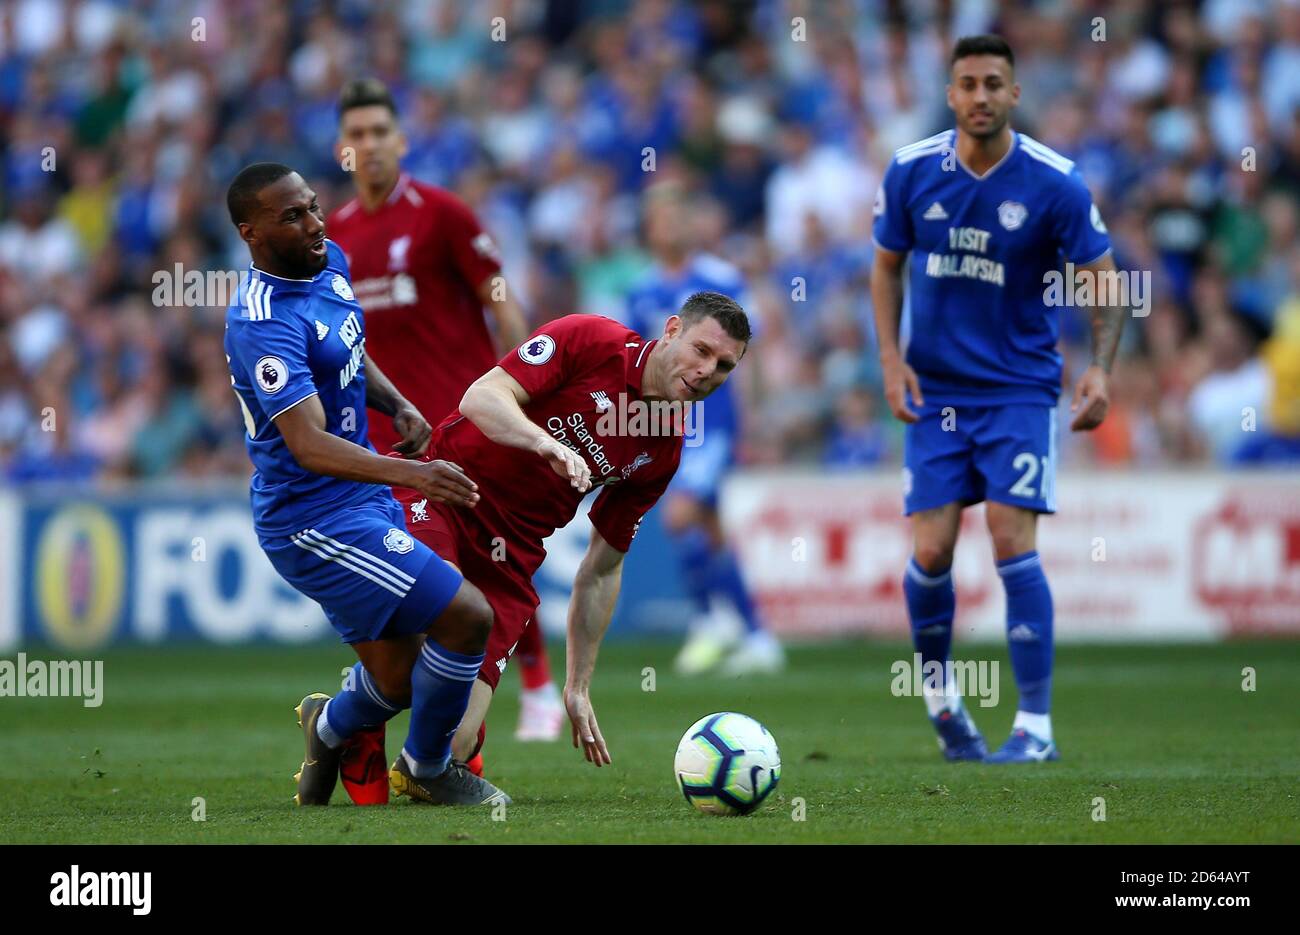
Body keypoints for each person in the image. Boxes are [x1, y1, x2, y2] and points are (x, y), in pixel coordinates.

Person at [222, 161, 509, 806]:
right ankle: (430, 770)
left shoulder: (329, 260)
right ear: (251, 231)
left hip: (359, 497)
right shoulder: (260, 320)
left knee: (400, 678)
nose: (315, 223)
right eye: (291, 216)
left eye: (314, 207)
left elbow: (347, 346)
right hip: (312, 517)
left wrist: (396, 402)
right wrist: (417, 474)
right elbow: (308, 443)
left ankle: (326, 728)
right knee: (467, 616)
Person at [871, 35, 1124, 763]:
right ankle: (944, 703)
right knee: (931, 549)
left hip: (1018, 387)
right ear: (950, 95)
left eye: (993, 84)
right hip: (935, 389)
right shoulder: (912, 171)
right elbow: (885, 269)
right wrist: (891, 360)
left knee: (1012, 540)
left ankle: (1035, 729)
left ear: (1015, 94)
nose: (980, 96)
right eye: (968, 84)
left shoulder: (1057, 183)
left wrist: (1100, 370)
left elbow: (1106, 284)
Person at [379, 293, 751, 776]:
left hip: (510, 559)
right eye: (701, 351)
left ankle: (443, 744)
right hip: (446, 491)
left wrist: (577, 685)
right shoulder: (590, 339)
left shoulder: (662, 451)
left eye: (723, 366)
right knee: (447, 610)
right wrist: (542, 443)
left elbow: (601, 570)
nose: (707, 372)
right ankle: (346, 729)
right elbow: (481, 398)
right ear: (673, 329)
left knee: (448, 748)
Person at [325, 78, 561, 795]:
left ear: (401, 140)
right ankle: (387, 726)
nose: (369, 145)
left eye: (379, 132)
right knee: (415, 598)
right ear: (344, 149)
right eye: (356, 134)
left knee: (483, 575)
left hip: (461, 433)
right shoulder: (329, 233)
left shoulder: (441, 216)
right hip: (379, 448)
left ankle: (516, 700)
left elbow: (499, 296)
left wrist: (528, 388)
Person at [625, 182, 783, 676]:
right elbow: (634, 358)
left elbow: (746, 352)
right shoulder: (642, 287)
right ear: (650, 229)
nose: (669, 228)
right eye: (660, 219)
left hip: (712, 422)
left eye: (677, 218)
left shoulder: (719, 280)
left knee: (679, 517)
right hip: (668, 422)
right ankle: (757, 636)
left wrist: (753, 417)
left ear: (690, 226)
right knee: (711, 531)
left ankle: (708, 622)